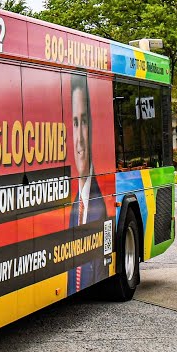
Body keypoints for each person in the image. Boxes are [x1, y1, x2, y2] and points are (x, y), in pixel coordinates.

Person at [69, 74, 105, 294]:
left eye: (83, 122)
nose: (79, 138)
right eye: (74, 123)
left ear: (92, 125)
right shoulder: (70, 209)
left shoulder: (103, 202)